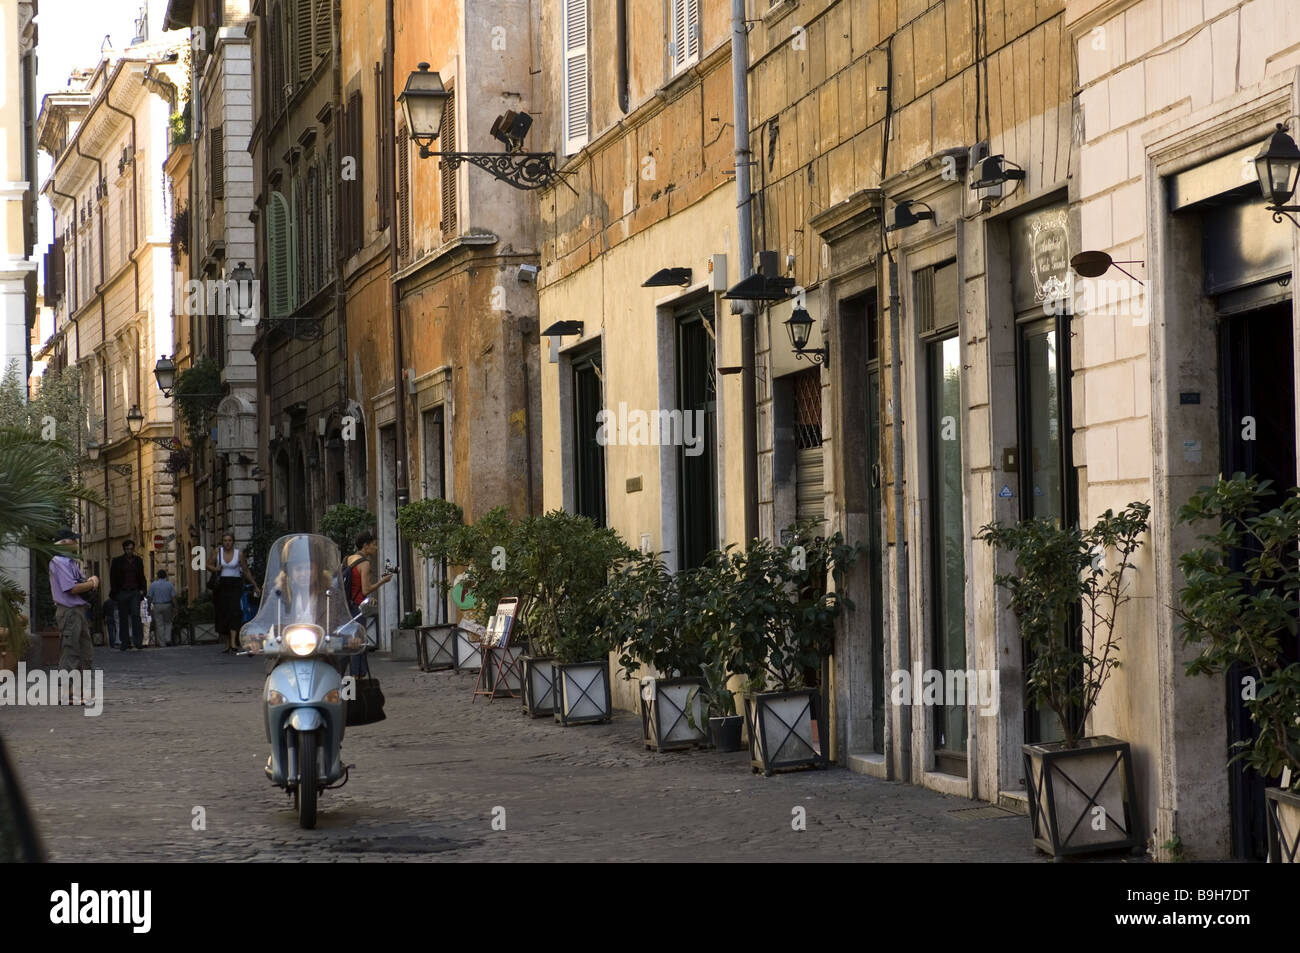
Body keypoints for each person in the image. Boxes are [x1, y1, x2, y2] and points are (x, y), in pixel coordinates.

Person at [49, 529, 98, 705]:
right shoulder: (59, 562)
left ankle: (78, 691)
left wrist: (90, 581)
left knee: (85, 651)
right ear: (63, 543)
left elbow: (80, 582)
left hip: (78, 610)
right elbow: (72, 588)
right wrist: (92, 582)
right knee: (70, 651)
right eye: (73, 540)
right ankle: (66, 692)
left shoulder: (70, 562)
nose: (76, 543)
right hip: (68, 611)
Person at [341, 531, 395, 677]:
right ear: (365, 546)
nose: (376, 548)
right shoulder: (364, 563)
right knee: (358, 644)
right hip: (357, 609)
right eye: (374, 545)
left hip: (346, 607)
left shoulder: (348, 559)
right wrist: (383, 581)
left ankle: (350, 684)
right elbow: (366, 589)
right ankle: (357, 679)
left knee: (349, 644)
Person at [207, 532, 260, 653]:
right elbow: (207, 564)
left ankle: (233, 642)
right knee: (222, 613)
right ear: (222, 542)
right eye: (225, 540)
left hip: (235, 585)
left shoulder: (239, 554)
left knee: (235, 611)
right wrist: (216, 568)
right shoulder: (217, 552)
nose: (227, 543)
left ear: (233, 541)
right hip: (221, 585)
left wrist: (255, 585)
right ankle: (226, 643)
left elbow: (246, 571)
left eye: (229, 540)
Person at [109, 539, 147, 651]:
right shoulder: (117, 561)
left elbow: (142, 576)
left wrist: (142, 590)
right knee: (123, 617)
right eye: (127, 549)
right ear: (124, 549)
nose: (129, 551)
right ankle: (124, 642)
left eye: (131, 549)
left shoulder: (138, 560)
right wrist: (116, 593)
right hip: (122, 592)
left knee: (136, 616)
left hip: (135, 591)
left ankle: (138, 641)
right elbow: (113, 578)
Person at [146, 569, 176, 647]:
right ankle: (168, 639)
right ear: (165, 576)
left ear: (157, 576)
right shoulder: (169, 584)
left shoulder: (153, 585)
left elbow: (149, 598)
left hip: (157, 605)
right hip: (167, 605)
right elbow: (173, 597)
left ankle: (162, 643)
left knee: (159, 624)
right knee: (168, 622)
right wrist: (175, 606)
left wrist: (148, 608)